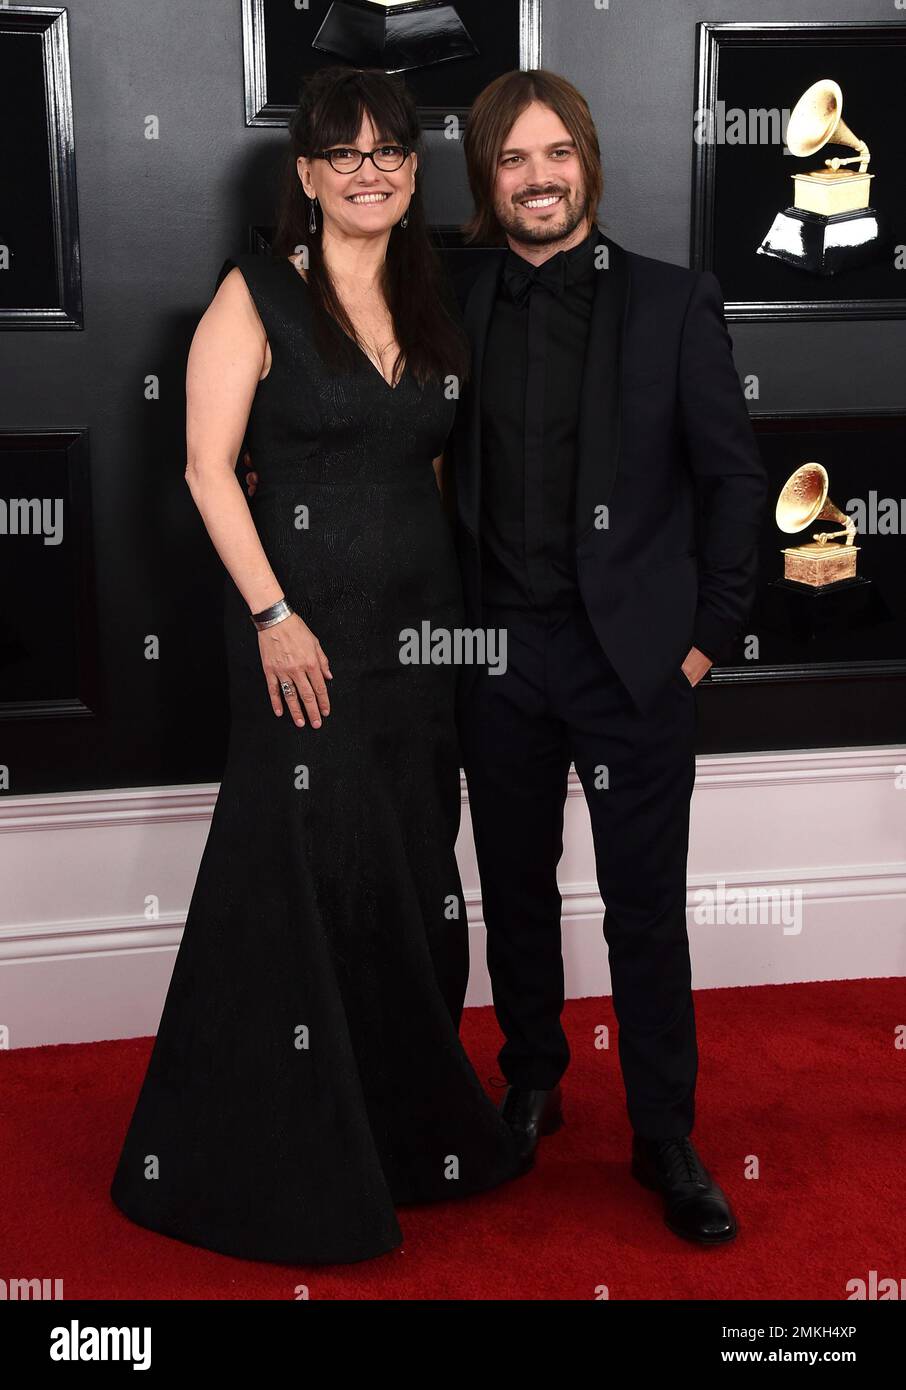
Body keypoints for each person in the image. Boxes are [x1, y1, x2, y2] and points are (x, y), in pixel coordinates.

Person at [109, 66, 523, 1267]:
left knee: (406, 867)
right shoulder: (252, 297)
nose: (371, 170)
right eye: (343, 153)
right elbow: (203, 469)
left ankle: (406, 1132)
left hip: (418, 638)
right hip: (300, 639)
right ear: (305, 176)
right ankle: (287, 1148)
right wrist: (274, 612)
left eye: (391, 151)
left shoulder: (434, 291)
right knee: (303, 867)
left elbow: (438, 467)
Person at [447, 70, 769, 1244]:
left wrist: (704, 644)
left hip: (633, 666)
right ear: (488, 179)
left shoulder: (675, 300)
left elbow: (735, 479)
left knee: (645, 910)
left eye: (555, 155)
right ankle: (531, 1078)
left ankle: (665, 1135)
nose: (538, 178)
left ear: (587, 159)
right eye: (513, 161)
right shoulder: (452, 291)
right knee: (514, 890)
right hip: (496, 657)